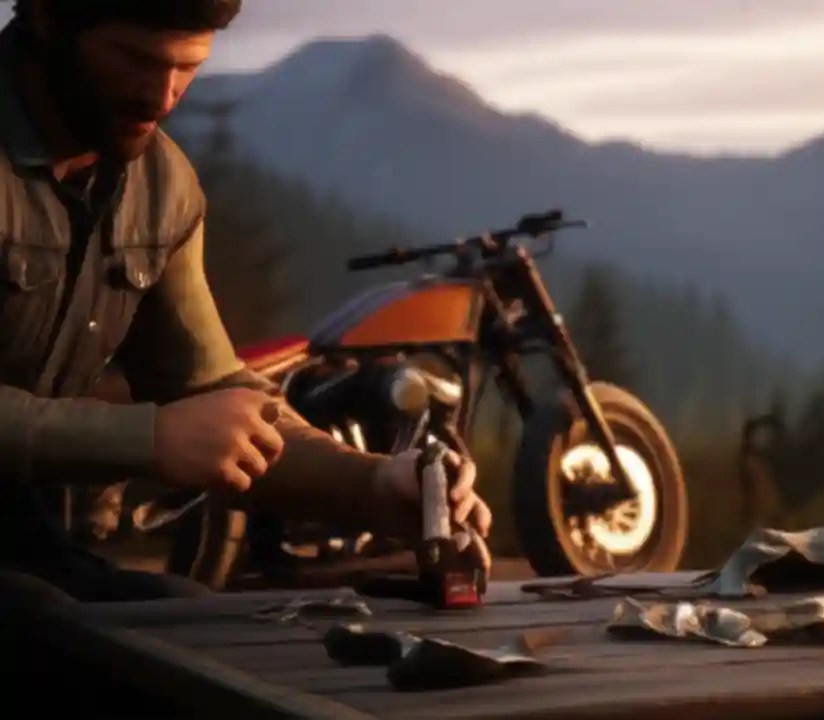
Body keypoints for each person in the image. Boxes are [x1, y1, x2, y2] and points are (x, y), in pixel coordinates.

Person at [0, 0, 493, 606]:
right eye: (136, 60)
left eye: (189, 67)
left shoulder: (162, 189)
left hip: (39, 550)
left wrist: (377, 482)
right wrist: (147, 438)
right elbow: (175, 428)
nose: (162, 95)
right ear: (46, 20)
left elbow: (214, 393)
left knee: (197, 634)